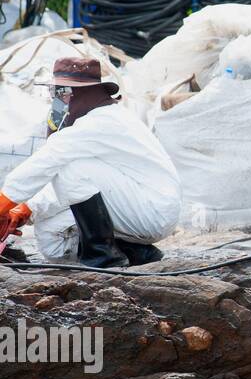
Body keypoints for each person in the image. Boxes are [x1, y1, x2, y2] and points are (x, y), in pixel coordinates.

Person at [0, 57, 182, 267]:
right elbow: (73, 184)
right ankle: (135, 251)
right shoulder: (93, 124)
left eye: (63, 93)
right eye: (56, 93)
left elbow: (48, 164)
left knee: (69, 167)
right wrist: (25, 209)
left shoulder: (101, 121)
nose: (58, 101)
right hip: (136, 206)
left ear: (84, 94)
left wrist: (4, 204)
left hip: (151, 211)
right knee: (51, 236)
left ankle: (104, 257)